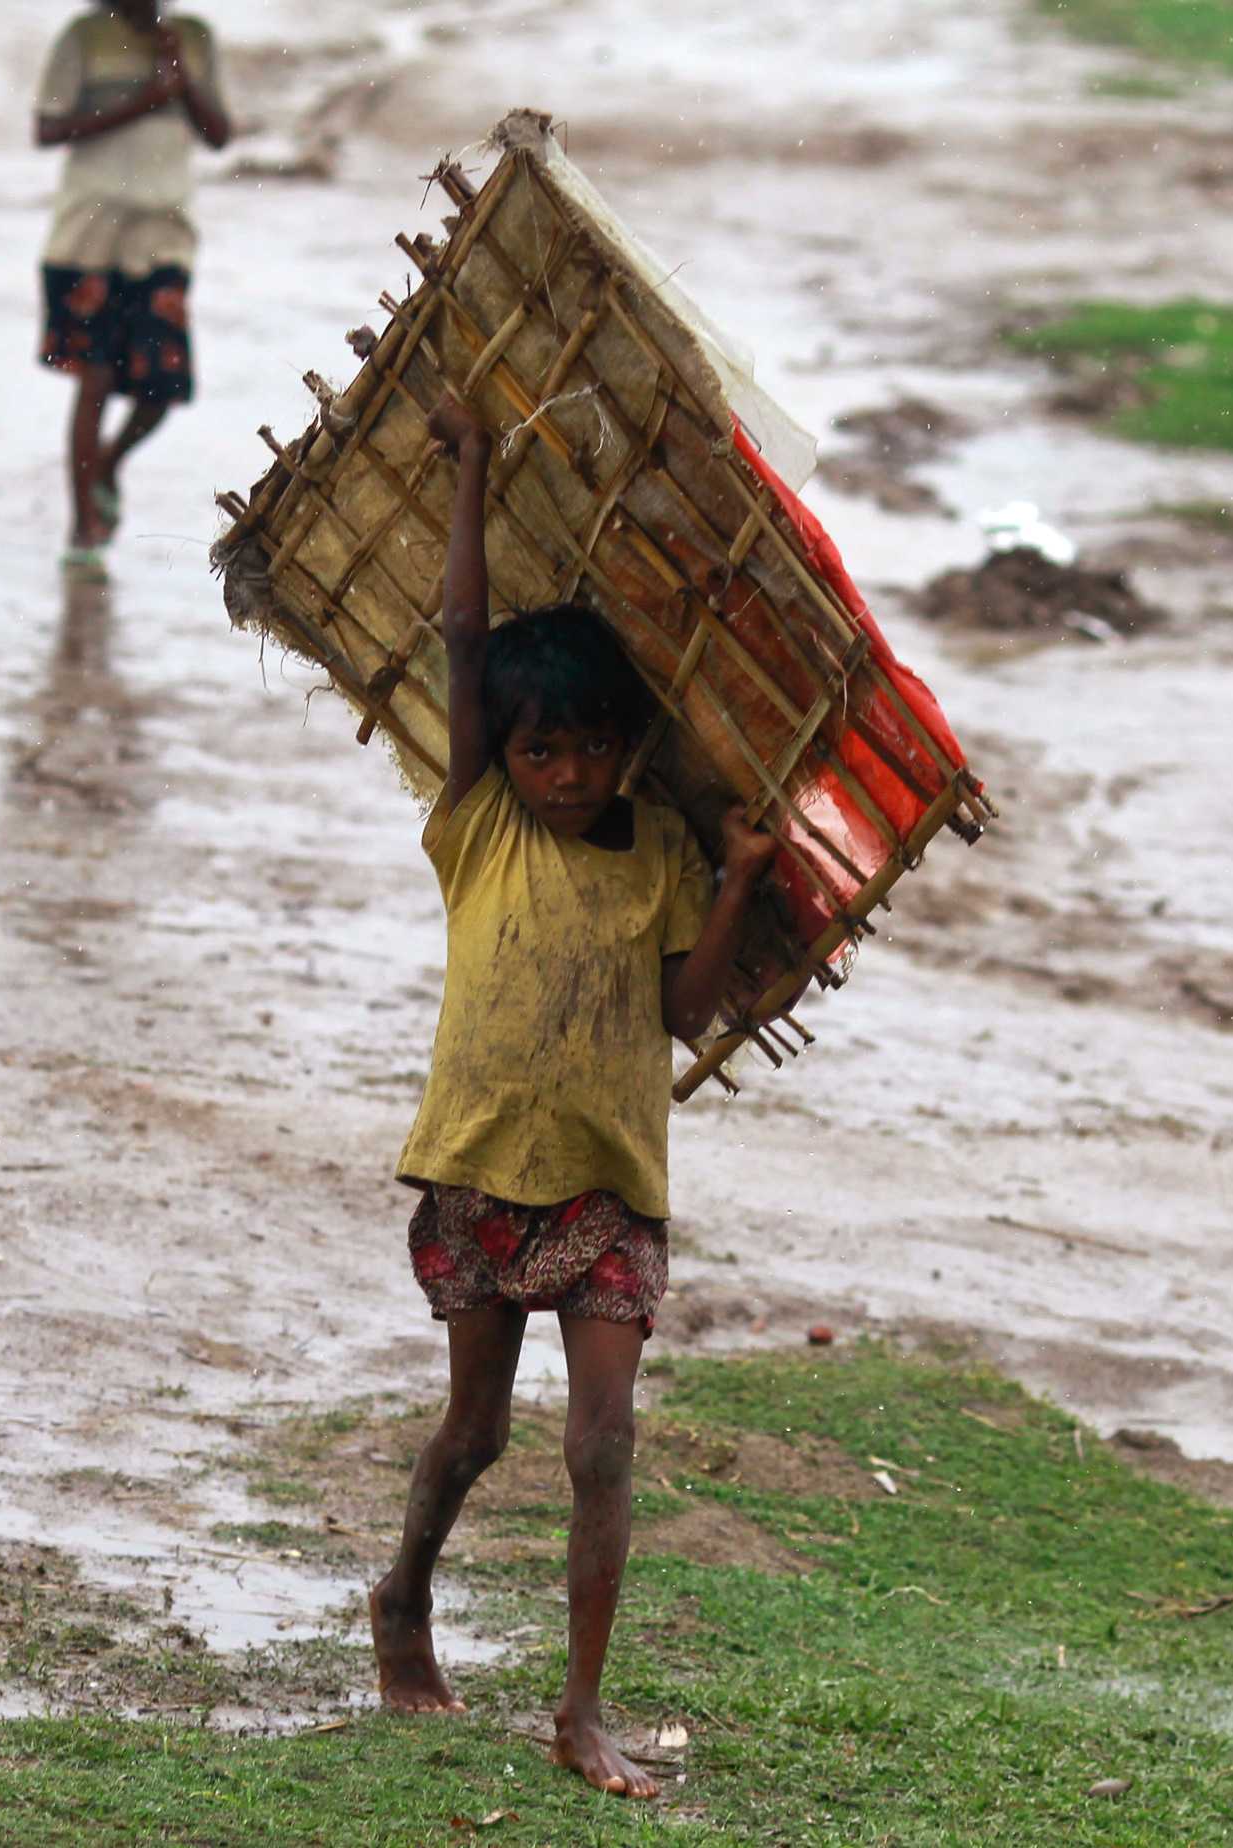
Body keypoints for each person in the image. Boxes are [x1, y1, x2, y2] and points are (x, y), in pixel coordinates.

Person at [368, 390, 779, 1801]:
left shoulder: (658, 841)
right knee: (475, 1434)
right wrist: (474, 461)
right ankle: (406, 1592)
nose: (561, 773)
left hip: (610, 1184)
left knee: (603, 1445)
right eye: (539, 750)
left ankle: (580, 1711)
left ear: (625, 746)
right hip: (482, 1169)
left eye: (586, 749)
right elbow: (465, 641)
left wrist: (734, 882)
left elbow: (679, 1013)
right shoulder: (474, 817)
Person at [32, 1, 231, 573]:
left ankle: (110, 465)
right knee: (93, 380)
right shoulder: (84, 37)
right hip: (88, 231)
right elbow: (47, 127)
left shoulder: (194, 37)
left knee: (162, 385)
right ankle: (82, 525)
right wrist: (139, 101)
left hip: (163, 233)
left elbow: (218, 135)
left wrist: (182, 79)